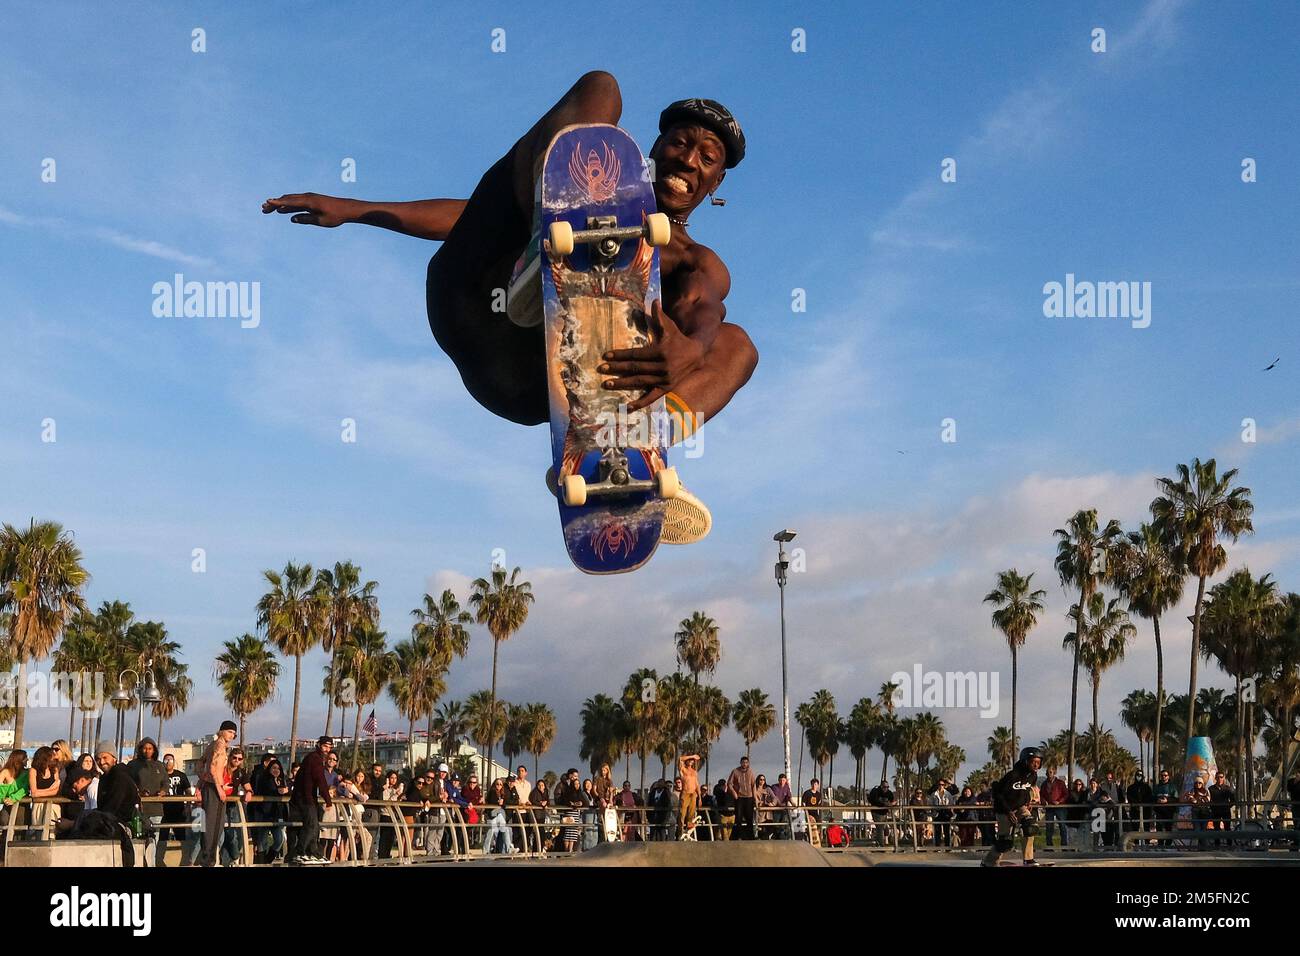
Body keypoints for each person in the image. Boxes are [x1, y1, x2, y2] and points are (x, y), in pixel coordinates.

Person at [264, 77, 756, 544]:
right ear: (655, 147)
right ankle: (547, 251)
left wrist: (689, 350)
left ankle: (625, 449)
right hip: (478, 302)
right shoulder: (598, 179)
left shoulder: (696, 261)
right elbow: (473, 216)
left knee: (736, 347)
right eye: (679, 143)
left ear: (716, 183)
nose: (689, 160)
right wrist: (357, 209)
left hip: (529, 380)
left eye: (707, 158)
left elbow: (703, 305)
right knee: (600, 90)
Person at [981, 746, 1043, 867]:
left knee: (1030, 827)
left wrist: (1028, 801)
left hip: (1020, 807)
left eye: (1038, 763)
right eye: (1033, 762)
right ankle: (988, 862)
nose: (1036, 765)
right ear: (1025, 761)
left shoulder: (1033, 776)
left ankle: (1028, 859)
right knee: (1005, 842)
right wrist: (1009, 812)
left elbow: (1027, 789)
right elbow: (998, 795)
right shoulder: (1012, 776)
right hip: (1004, 808)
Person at [195, 721, 236, 867]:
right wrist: (219, 788)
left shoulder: (212, 745)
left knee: (211, 827)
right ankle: (208, 861)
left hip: (210, 786)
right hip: (214, 789)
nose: (232, 735)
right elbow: (213, 767)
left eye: (234, 733)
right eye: (230, 731)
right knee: (214, 827)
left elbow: (200, 763)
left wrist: (202, 778)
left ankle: (208, 860)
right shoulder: (219, 745)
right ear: (222, 731)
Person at [288, 736, 333, 865]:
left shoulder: (314, 758)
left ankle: (314, 852)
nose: (327, 749)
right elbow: (320, 780)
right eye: (325, 746)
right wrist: (328, 800)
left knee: (314, 826)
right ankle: (299, 852)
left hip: (307, 797)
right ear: (319, 745)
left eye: (329, 747)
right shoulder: (315, 759)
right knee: (311, 825)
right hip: (305, 798)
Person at [727, 756, 757, 840]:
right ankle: (737, 836)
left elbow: (753, 785)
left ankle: (750, 837)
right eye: (743, 762)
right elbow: (729, 783)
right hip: (739, 797)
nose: (745, 764)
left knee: (749, 818)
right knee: (738, 818)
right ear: (740, 763)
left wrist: (755, 798)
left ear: (748, 763)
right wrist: (734, 793)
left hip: (749, 797)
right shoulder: (735, 771)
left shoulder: (750, 772)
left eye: (746, 762)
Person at [1039, 766, 1069, 847]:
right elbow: (1041, 795)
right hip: (1049, 809)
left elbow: (1066, 794)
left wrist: (1059, 801)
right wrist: (1043, 801)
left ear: (1054, 773)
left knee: (1062, 827)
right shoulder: (1044, 784)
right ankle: (1049, 846)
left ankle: (1064, 846)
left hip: (1060, 808)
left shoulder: (1060, 783)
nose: (1048, 774)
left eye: (1050, 772)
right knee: (1049, 827)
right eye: (1047, 773)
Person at [677, 753, 702, 840]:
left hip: (693, 794)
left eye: (692, 761)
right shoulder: (683, 769)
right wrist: (692, 756)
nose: (691, 761)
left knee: (691, 815)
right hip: (685, 793)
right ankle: (680, 832)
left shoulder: (694, 772)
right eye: (690, 760)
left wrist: (699, 797)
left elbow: (697, 784)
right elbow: (680, 759)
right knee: (682, 814)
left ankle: (688, 832)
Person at [1208, 771, 1235, 847]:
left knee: (1227, 828)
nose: (1219, 779)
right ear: (1215, 778)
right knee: (1216, 828)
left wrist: (1227, 806)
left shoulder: (1227, 789)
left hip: (1225, 811)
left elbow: (1233, 800)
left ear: (1224, 778)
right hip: (1215, 811)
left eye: (1221, 777)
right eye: (1218, 777)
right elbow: (1209, 800)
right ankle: (1217, 845)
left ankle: (1229, 844)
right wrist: (1212, 807)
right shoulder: (1211, 789)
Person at [868, 778, 896, 846]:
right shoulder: (876, 791)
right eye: (884, 787)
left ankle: (883, 841)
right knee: (880, 828)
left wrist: (892, 804)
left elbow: (892, 800)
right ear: (881, 786)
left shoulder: (889, 793)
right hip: (876, 812)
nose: (885, 788)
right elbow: (874, 801)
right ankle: (881, 844)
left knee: (885, 828)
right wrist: (885, 804)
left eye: (887, 787)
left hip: (884, 813)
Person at [929, 778, 957, 847]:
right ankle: (937, 847)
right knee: (937, 831)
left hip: (946, 813)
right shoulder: (934, 794)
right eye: (939, 784)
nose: (941, 786)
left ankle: (947, 847)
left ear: (944, 785)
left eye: (942, 784)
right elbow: (930, 804)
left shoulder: (948, 794)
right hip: (937, 813)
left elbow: (952, 802)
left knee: (946, 831)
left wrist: (950, 782)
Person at [1126, 771, 1154, 837]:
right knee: (1135, 828)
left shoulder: (1147, 787)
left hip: (1146, 811)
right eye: (1137, 775)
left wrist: (1143, 804)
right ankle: (1136, 844)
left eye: (1140, 775)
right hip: (1134, 811)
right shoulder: (1131, 787)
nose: (1139, 776)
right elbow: (1129, 797)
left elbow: (1150, 797)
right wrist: (1136, 804)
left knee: (1146, 828)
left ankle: (1147, 844)